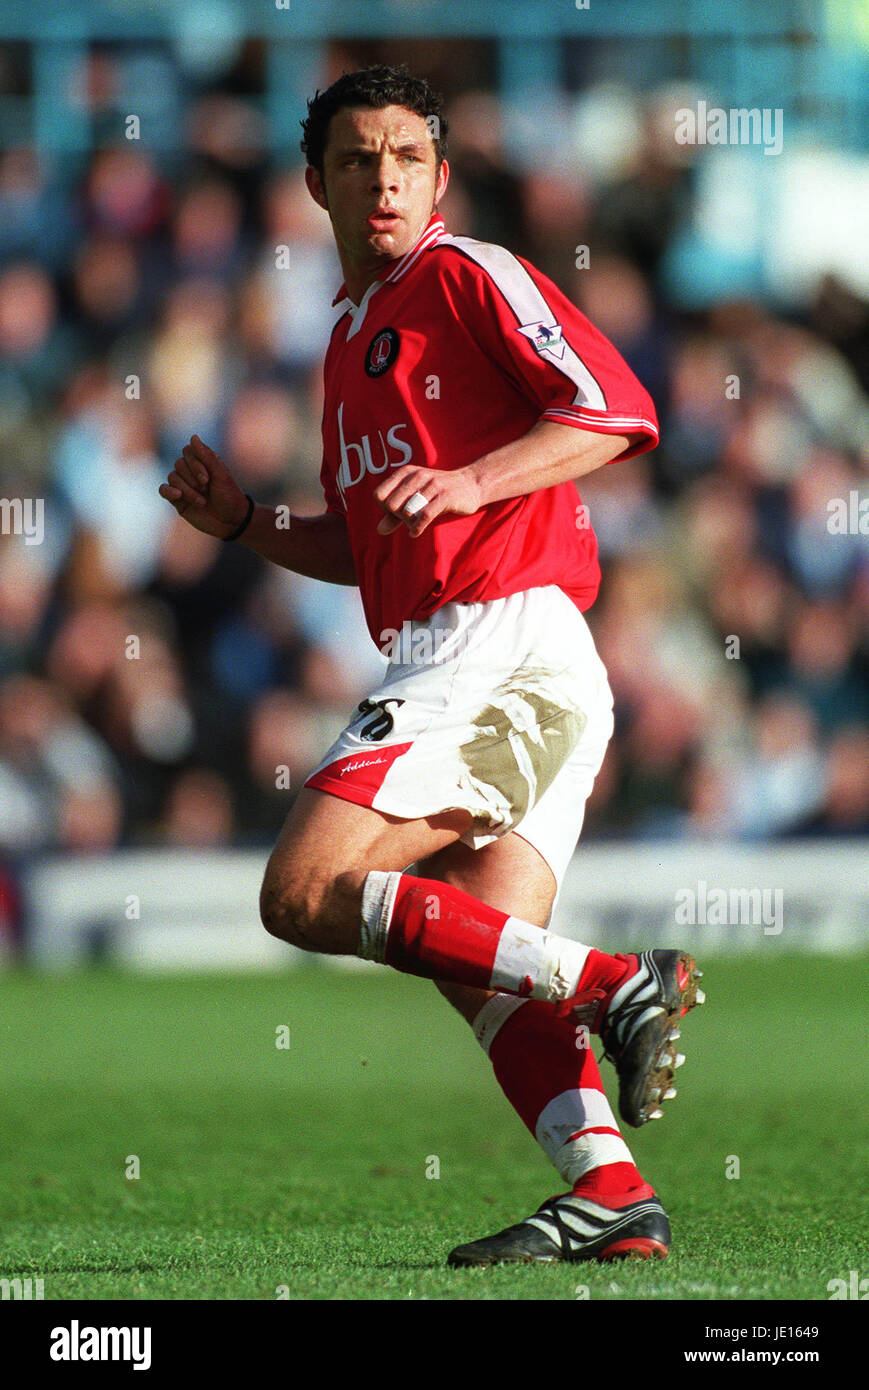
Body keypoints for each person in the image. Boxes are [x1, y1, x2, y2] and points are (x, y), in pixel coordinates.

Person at [159, 64, 704, 1266]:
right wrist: (247, 523)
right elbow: (368, 542)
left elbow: (614, 411)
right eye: (357, 160)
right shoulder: (347, 339)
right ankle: (611, 1192)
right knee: (477, 956)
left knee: (301, 891)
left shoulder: (466, 274)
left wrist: (470, 481)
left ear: (440, 175)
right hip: (504, 656)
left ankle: (615, 979)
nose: (385, 180)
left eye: (407, 157)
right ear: (317, 185)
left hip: (497, 636)